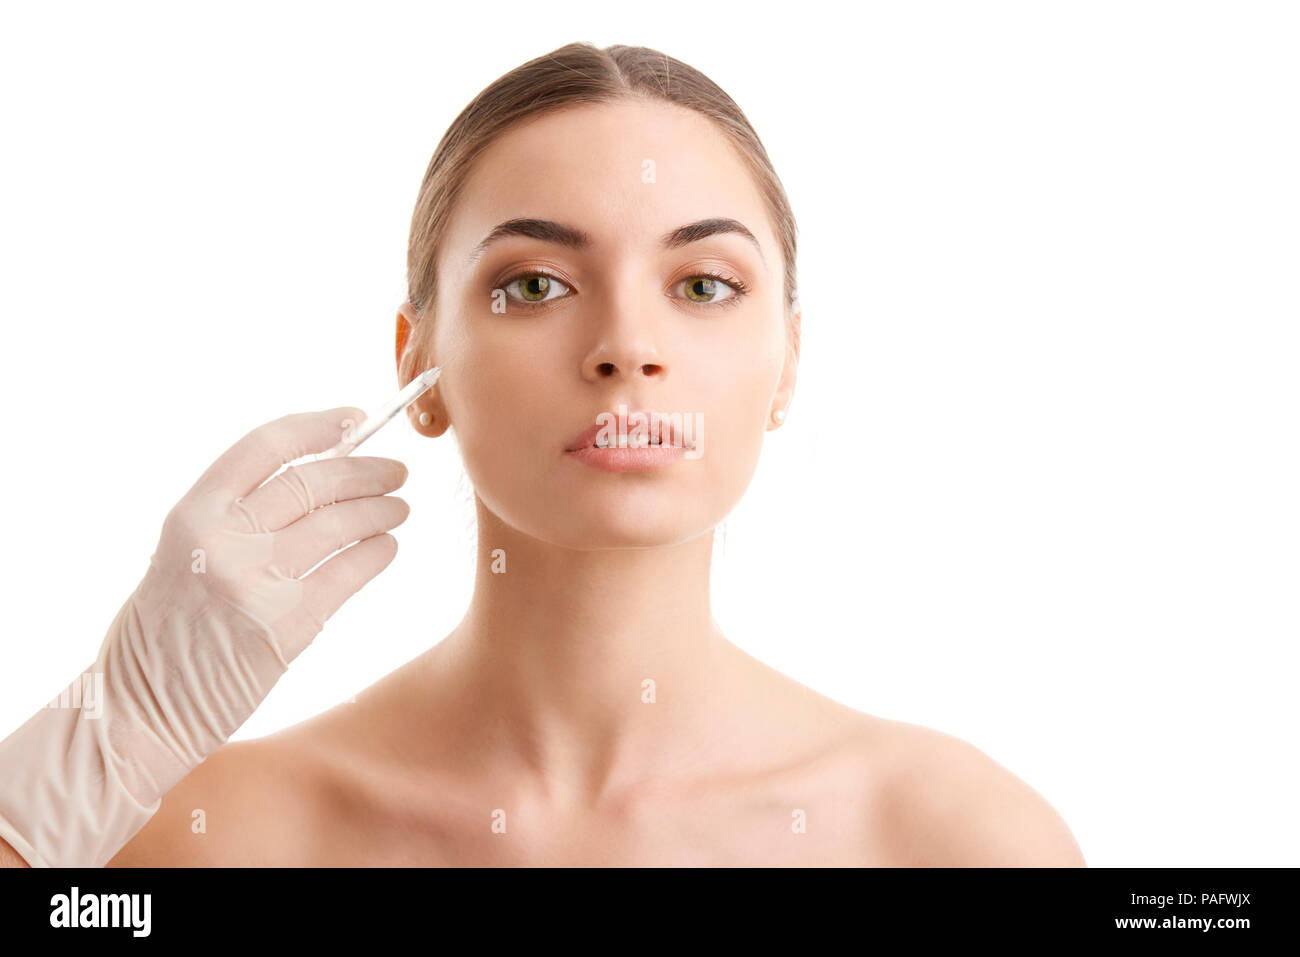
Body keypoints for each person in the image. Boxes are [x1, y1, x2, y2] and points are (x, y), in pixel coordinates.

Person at [0, 41, 1085, 867]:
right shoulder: (222, 836)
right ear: (415, 362)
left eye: (702, 285)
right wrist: (101, 749)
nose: (625, 349)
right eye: (534, 285)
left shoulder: (950, 839)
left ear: (788, 361)